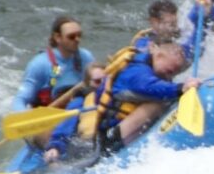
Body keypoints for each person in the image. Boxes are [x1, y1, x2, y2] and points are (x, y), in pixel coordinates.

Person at [45, 40, 202, 161]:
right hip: (108, 141)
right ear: (159, 56)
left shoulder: (146, 68)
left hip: (118, 132)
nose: (169, 77)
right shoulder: (135, 72)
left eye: (173, 73)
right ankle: (125, 148)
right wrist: (180, 88)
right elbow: (148, 86)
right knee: (156, 105)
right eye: (169, 71)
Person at [11, 14, 95, 111]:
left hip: (79, 112)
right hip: (49, 117)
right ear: (57, 37)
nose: (77, 40)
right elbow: (20, 99)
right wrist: (23, 116)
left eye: (79, 35)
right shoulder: (39, 64)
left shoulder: (86, 57)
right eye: (71, 37)